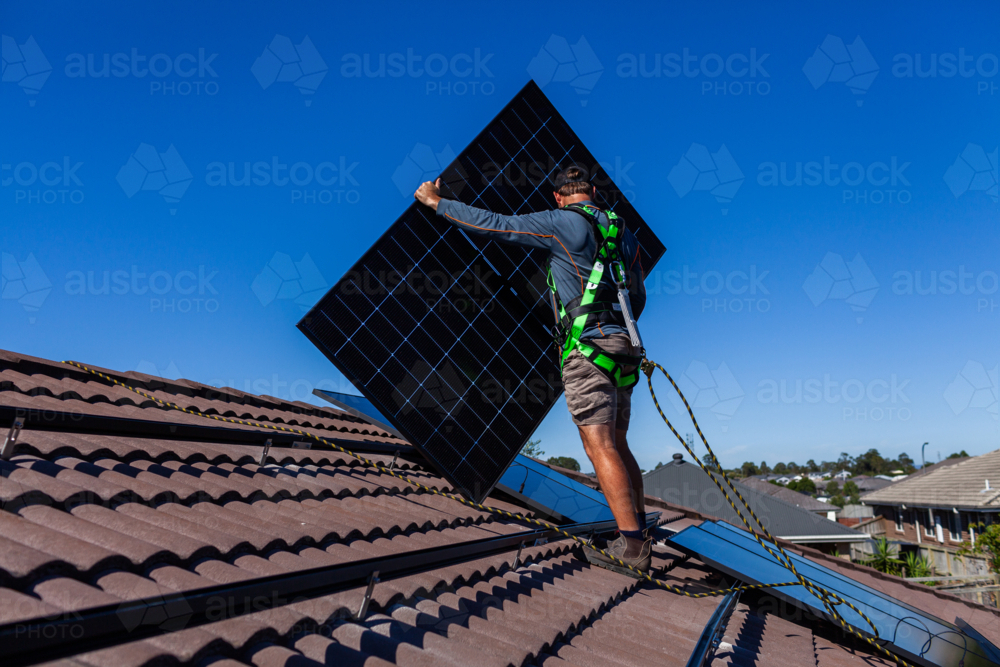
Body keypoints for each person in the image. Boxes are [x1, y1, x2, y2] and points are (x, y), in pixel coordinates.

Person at [414, 166, 652, 576]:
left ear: (558, 197)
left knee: (599, 445)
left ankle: (631, 546)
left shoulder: (561, 221)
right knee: (618, 441)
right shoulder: (625, 234)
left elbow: (497, 226)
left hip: (588, 347)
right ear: (593, 192)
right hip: (625, 346)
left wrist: (438, 202)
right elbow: (639, 294)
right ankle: (640, 529)